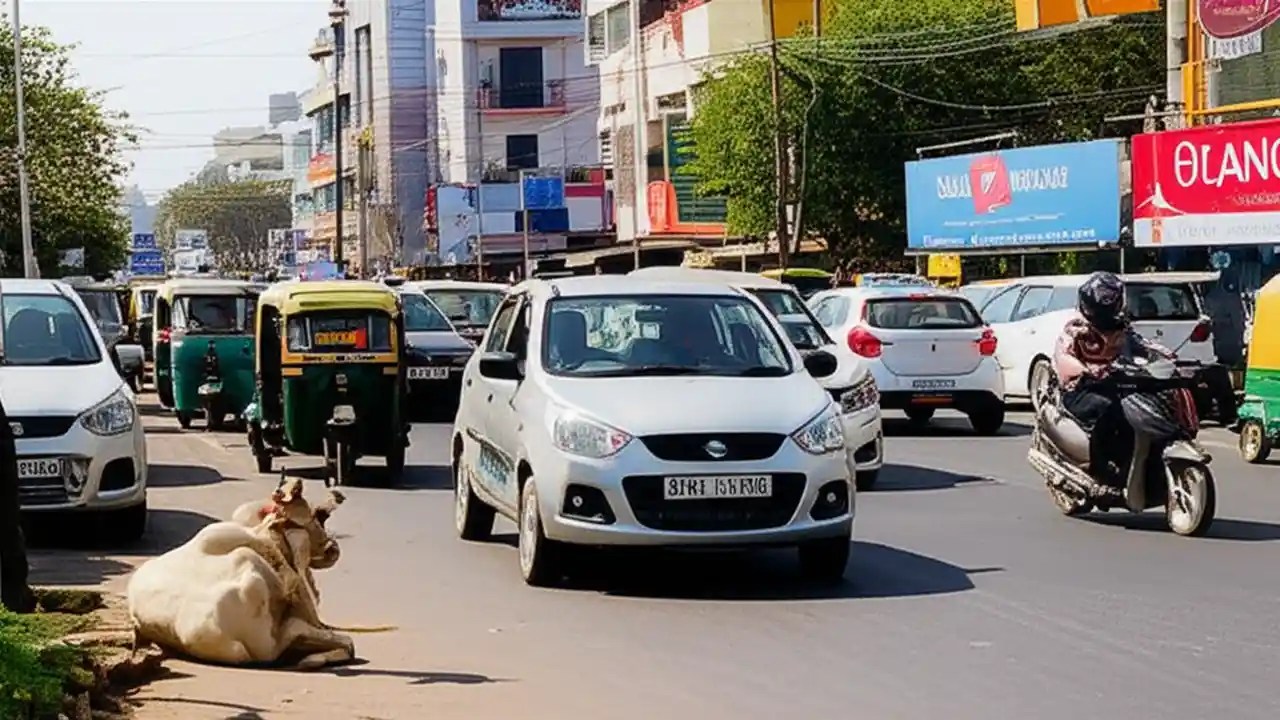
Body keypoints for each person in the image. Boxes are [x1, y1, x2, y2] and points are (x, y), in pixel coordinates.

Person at [1053, 271, 1171, 483]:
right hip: (1081, 388)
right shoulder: (1077, 327)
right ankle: (1100, 469)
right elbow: (1064, 357)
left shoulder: (1120, 325)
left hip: (1116, 384)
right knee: (1110, 411)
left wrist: (1166, 354)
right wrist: (1085, 370)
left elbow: (1141, 344)